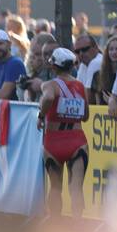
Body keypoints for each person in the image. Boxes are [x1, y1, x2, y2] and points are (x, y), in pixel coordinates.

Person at [36, 48, 90, 218]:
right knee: (76, 188)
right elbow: (86, 116)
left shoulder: (49, 85)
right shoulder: (80, 86)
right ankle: (77, 225)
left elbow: (49, 98)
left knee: (55, 188)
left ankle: (56, 226)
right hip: (77, 141)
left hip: (53, 142)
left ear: (53, 66)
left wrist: (41, 115)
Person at [91, 34, 117, 106]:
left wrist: (115, 102)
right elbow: (98, 104)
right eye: (111, 49)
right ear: (107, 52)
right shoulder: (97, 75)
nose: (114, 52)